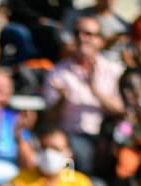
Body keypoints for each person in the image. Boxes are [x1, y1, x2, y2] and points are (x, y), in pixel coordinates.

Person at [42, 13, 122, 175]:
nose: (81, 38)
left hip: (105, 137)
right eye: (77, 33)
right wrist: (61, 101)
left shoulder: (114, 71)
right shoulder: (58, 72)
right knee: (67, 152)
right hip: (71, 137)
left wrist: (94, 89)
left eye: (88, 34)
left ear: (100, 40)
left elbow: (121, 109)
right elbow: (48, 118)